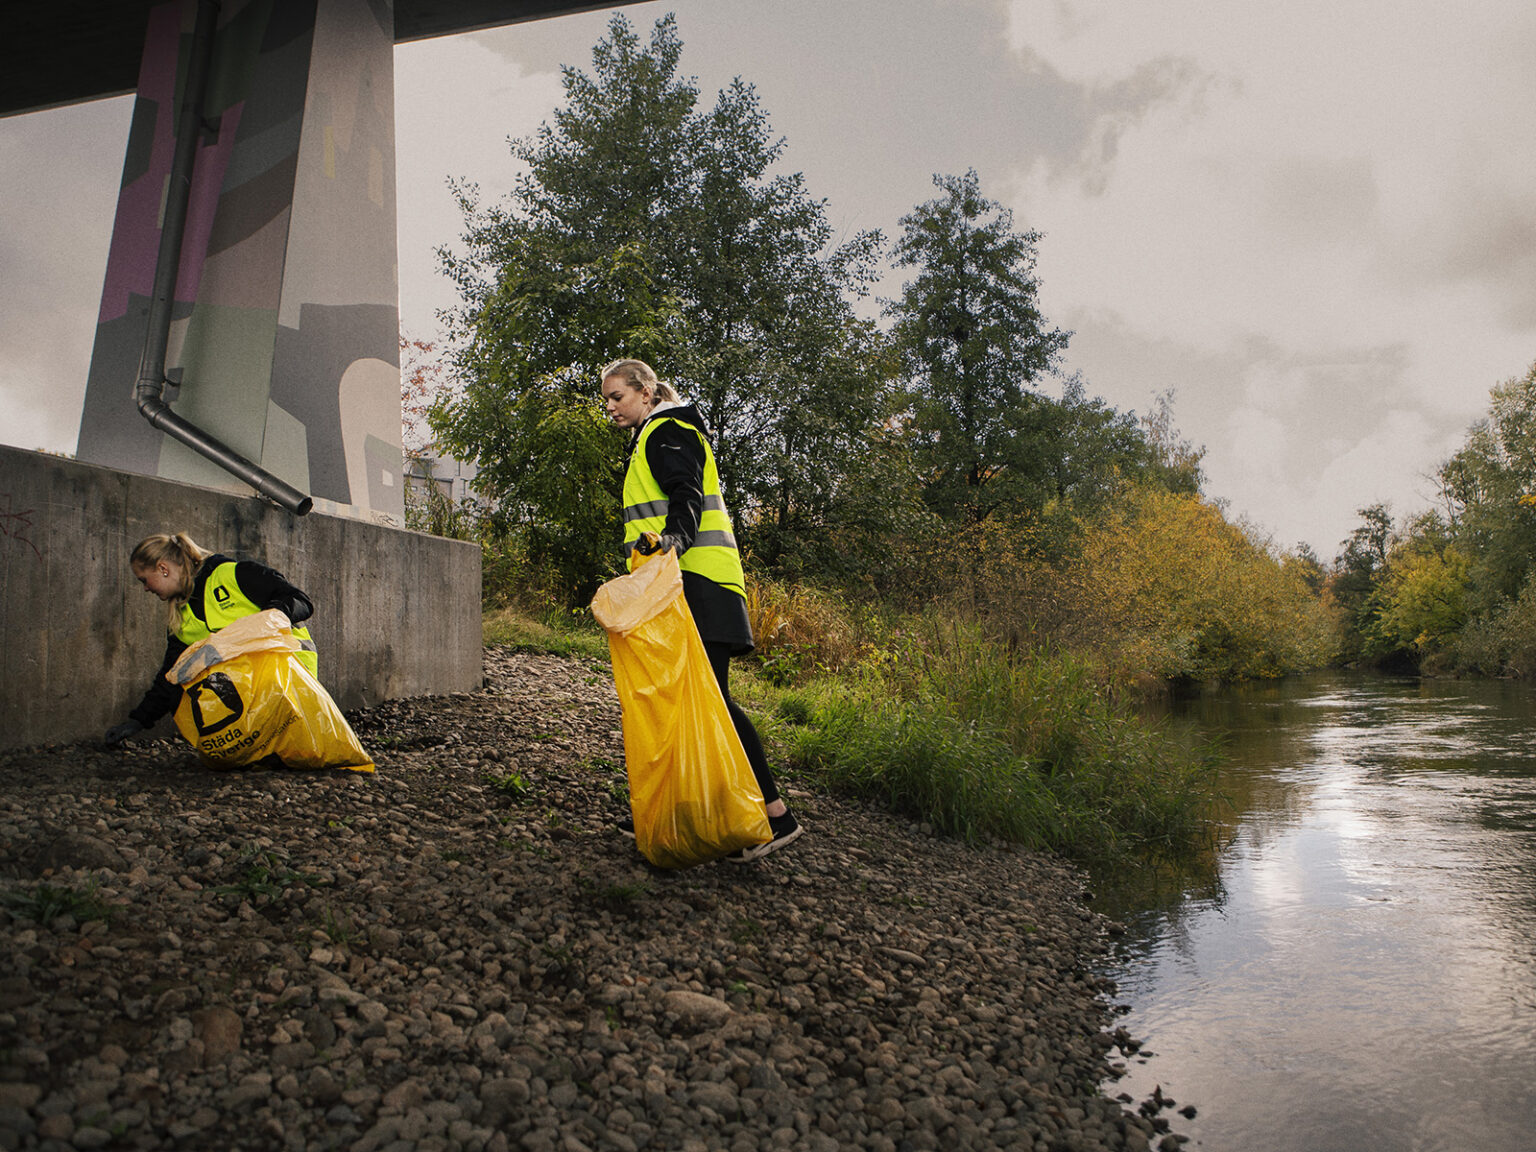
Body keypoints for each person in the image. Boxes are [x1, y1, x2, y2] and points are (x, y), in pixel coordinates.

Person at [600, 358, 804, 862]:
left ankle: (778, 818)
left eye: (617, 397)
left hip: (700, 582)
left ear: (646, 392)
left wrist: (674, 538)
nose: (610, 409)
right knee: (678, 699)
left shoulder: (667, 429)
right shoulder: (655, 433)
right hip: (681, 581)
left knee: (711, 701)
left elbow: (685, 491)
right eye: (605, 400)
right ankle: (674, 810)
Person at [104, 533, 317, 746]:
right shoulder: (181, 620)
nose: (146, 588)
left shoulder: (232, 575)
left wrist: (268, 619)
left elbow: (301, 601)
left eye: (144, 580)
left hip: (293, 674)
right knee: (193, 683)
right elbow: (172, 676)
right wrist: (138, 721)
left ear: (163, 568)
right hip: (253, 689)